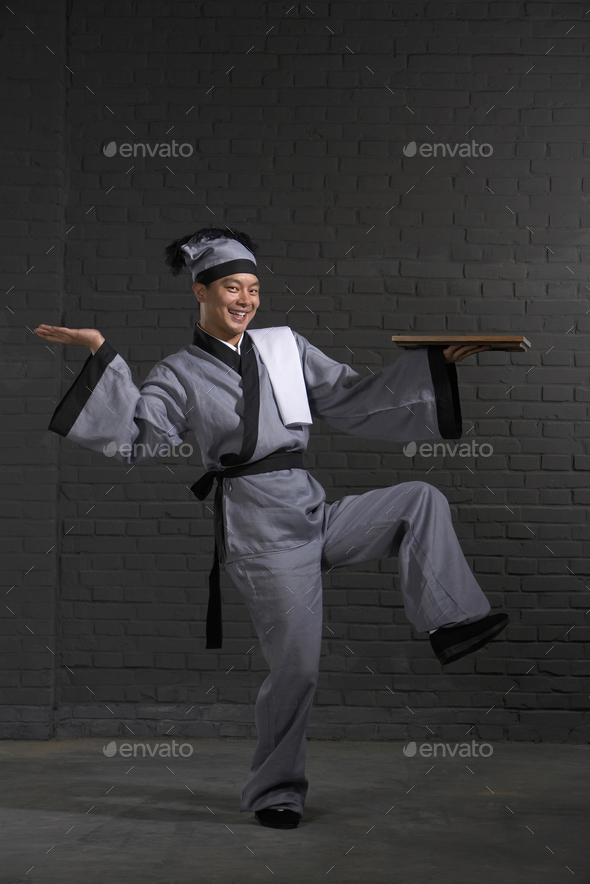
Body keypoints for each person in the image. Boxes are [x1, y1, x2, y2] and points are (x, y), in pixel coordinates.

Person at [35, 227, 509, 831]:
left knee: (419, 497)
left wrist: (433, 365)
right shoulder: (178, 372)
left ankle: (452, 620)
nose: (245, 298)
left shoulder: (286, 348)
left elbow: (353, 396)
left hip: (311, 512)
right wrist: (102, 351)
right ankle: (275, 791)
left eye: (254, 288)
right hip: (258, 535)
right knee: (297, 668)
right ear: (200, 292)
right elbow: (138, 439)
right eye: (232, 286)